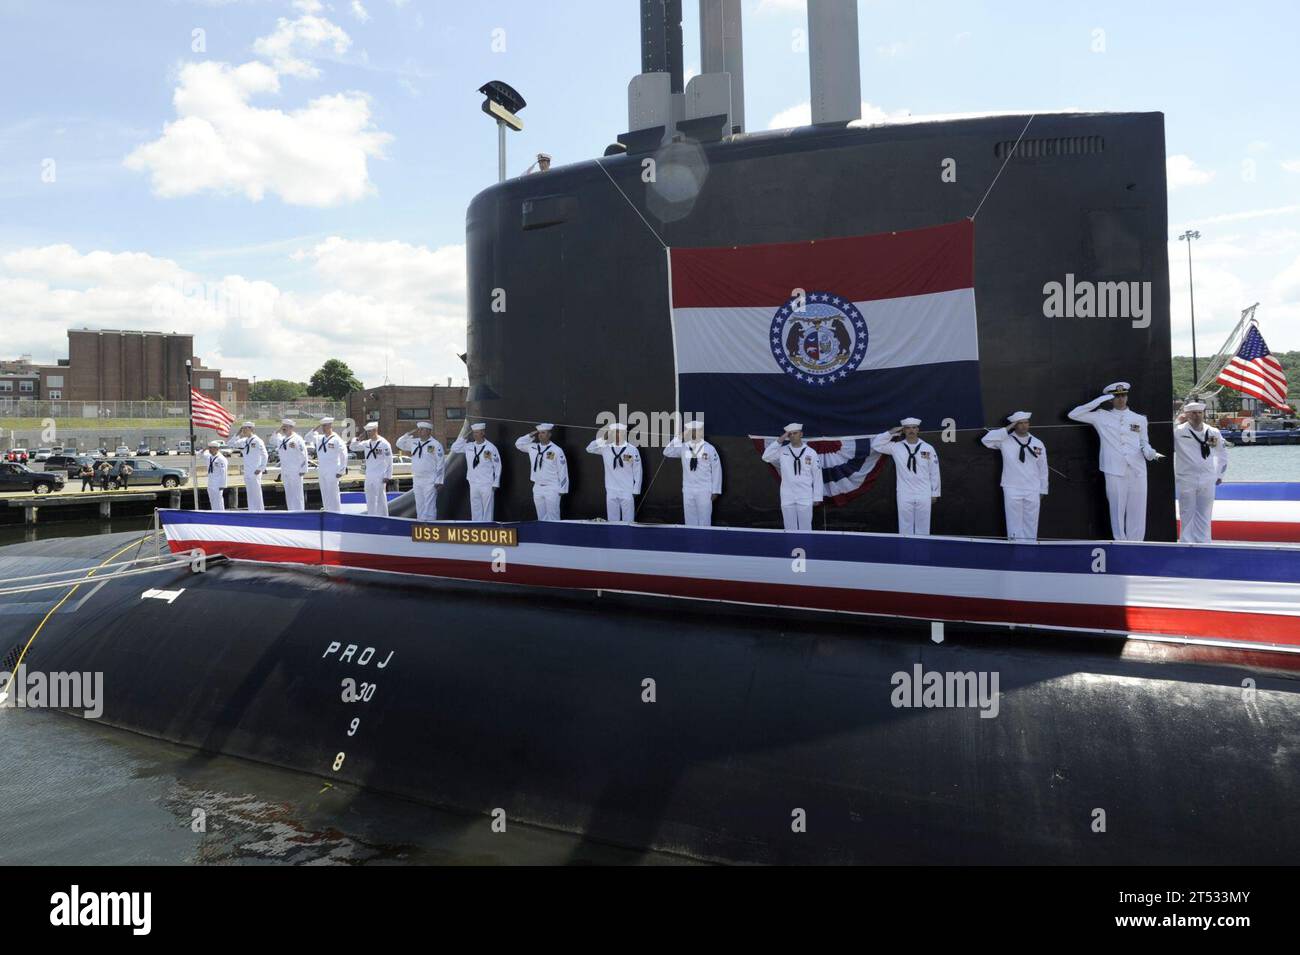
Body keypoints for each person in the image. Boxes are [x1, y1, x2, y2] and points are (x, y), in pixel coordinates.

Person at [1067, 382, 1165, 541]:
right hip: (1114, 468)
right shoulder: (1100, 416)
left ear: (1127, 396)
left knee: (1138, 508)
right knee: (1117, 509)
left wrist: (1148, 450)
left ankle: (1137, 543)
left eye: (1123, 395)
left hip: (1137, 468)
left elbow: (1143, 441)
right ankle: (1120, 541)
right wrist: (1100, 400)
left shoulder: (1139, 418)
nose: (1121, 399)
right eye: (1116, 396)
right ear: (1111, 398)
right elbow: (1074, 414)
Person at [981, 411, 1049, 541]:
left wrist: (1043, 489)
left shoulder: (1037, 443)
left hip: (1032, 487)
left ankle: (1030, 549)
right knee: (1013, 521)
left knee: (1031, 521)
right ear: (1015, 425)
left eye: (1026, 423)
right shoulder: (1004, 440)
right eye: (1020, 423)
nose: (1024, 426)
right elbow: (986, 440)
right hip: (1012, 487)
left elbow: (1043, 468)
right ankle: (1015, 549)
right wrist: (1007, 429)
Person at [871, 417, 941, 536]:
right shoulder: (896, 447)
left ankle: (922, 550)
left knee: (923, 525)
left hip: (924, 491)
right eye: (908, 428)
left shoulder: (928, 448)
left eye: (914, 427)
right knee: (905, 525)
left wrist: (934, 493)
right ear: (903, 431)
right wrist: (890, 432)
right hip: (904, 492)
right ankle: (906, 550)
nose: (911, 430)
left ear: (918, 429)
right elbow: (876, 445)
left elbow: (934, 472)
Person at [1173, 400, 1228, 543]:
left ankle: (1204, 542)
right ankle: (1186, 542)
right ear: (1187, 415)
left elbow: (1222, 454)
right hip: (1186, 478)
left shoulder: (1213, 432)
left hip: (1207, 478)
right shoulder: (1178, 431)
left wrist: (1220, 474)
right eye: (1193, 413)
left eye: (1199, 413)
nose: (1197, 416)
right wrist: (1176, 421)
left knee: (1205, 513)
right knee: (1187, 512)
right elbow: (1164, 435)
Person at [761, 423, 823, 531]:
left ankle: (805, 547)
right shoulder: (782, 451)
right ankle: (791, 547)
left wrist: (817, 496)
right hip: (787, 495)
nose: (793, 436)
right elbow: (766, 457)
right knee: (789, 529)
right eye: (790, 434)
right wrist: (781, 439)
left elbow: (817, 476)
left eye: (795, 433)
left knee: (805, 529)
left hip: (805, 495)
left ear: (801, 434)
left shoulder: (811, 453)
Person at [663, 420, 722, 527]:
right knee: (690, 521)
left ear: (701, 432)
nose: (694, 433)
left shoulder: (709, 448)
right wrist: (679, 437)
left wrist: (716, 491)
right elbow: (667, 452)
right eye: (691, 431)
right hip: (688, 489)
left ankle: (704, 542)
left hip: (704, 489)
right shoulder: (683, 447)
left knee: (704, 520)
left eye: (697, 431)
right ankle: (691, 542)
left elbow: (717, 470)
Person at [585, 422, 642, 522]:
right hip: (611, 490)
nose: (616, 435)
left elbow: (638, 471)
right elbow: (589, 449)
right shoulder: (605, 448)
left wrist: (636, 489)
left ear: (624, 433)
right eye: (614, 433)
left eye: (619, 432)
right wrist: (603, 438)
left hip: (627, 490)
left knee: (628, 521)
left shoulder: (632, 450)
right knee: (612, 521)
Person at [515, 423, 568, 521]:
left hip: (552, 487)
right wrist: (530, 435)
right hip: (537, 487)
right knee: (541, 517)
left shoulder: (556, 450)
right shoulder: (533, 447)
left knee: (553, 517)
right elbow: (518, 444)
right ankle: (544, 536)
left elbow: (563, 470)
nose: (540, 435)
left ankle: (555, 536)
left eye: (543, 433)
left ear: (549, 434)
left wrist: (562, 489)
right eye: (539, 433)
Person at [450, 422, 501, 521]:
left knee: (487, 508)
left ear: (483, 433)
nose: (475, 435)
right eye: (474, 433)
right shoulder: (469, 446)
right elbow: (454, 448)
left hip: (487, 483)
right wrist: (464, 437)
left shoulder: (490, 447)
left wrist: (496, 482)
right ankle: (477, 527)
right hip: (473, 482)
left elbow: (497, 466)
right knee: (475, 507)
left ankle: (487, 528)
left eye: (477, 432)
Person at [396, 421, 445, 521]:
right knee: (419, 503)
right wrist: (407, 434)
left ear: (428, 431)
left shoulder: (435, 444)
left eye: (422, 429)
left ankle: (430, 525)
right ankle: (420, 524)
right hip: (417, 478)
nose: (419, 431)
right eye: (419, 429)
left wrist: (439, 480)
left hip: (430, 479)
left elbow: (440, 463)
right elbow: (399, 444)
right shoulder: (414, 442)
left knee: (429, 504)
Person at [350, 422, 394, 517]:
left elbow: (389, 460)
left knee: (380, 498)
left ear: (375, 430)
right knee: (369, 498)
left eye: (370, 431)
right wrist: (357, 439)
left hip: (380, 475)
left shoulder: (384, 443)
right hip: (369, 475)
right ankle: (371, 516)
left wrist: (388, 476)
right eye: (368, 432)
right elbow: (352, 447)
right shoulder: (366, 443)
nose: (369, 433)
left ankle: (383, 517)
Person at [307, 416, 348, 513]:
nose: (323, 428)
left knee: (333, 494)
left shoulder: (336, 439)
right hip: (322, 470)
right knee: (324, 493)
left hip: (333, 470)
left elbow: (344, 455)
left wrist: (341, 470)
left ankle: (336, 513)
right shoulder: (320, 438)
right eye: (322, 426)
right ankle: (327, 511)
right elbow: (307, 437)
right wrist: (316, 427)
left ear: (330, 426)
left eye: (325, 425)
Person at [229, 421, 268, 512]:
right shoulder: (244, 441)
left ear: (252, 429)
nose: (244, 430)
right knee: (250, 493)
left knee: (256, 493)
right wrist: (238, 434)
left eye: (246, 428)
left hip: (255, 470)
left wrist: (261, 468)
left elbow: (265, 455)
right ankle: (252, 511)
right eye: (243, 428)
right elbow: (230, 444)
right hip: (247, 471)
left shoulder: (257, 441)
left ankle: (260, 511)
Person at [273, 419, 309, 511]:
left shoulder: (297, 439)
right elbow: (272, 439)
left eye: (286, 426)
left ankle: (299, 512)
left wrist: (303, 469)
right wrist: (279, 429)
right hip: (285, 470)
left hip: (296, 470)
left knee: (297, 494)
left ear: (291, 427)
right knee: (288, 493)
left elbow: (303, 454)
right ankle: (291, 511)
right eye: (283, 426)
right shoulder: (282, 439)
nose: (284, 428)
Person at [201, 440, 227, 511]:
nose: (210, 450)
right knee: (212, 500)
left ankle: (221, 515)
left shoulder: (221, 459)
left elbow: (223, 472)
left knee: (218, 501)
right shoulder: (209, 457)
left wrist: (223, 485)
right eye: (209, 448)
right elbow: (200, 454)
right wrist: (205, 449)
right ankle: (215, 513)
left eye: (212, 448)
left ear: (217, 449)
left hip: (218, 483)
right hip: (210, 482)